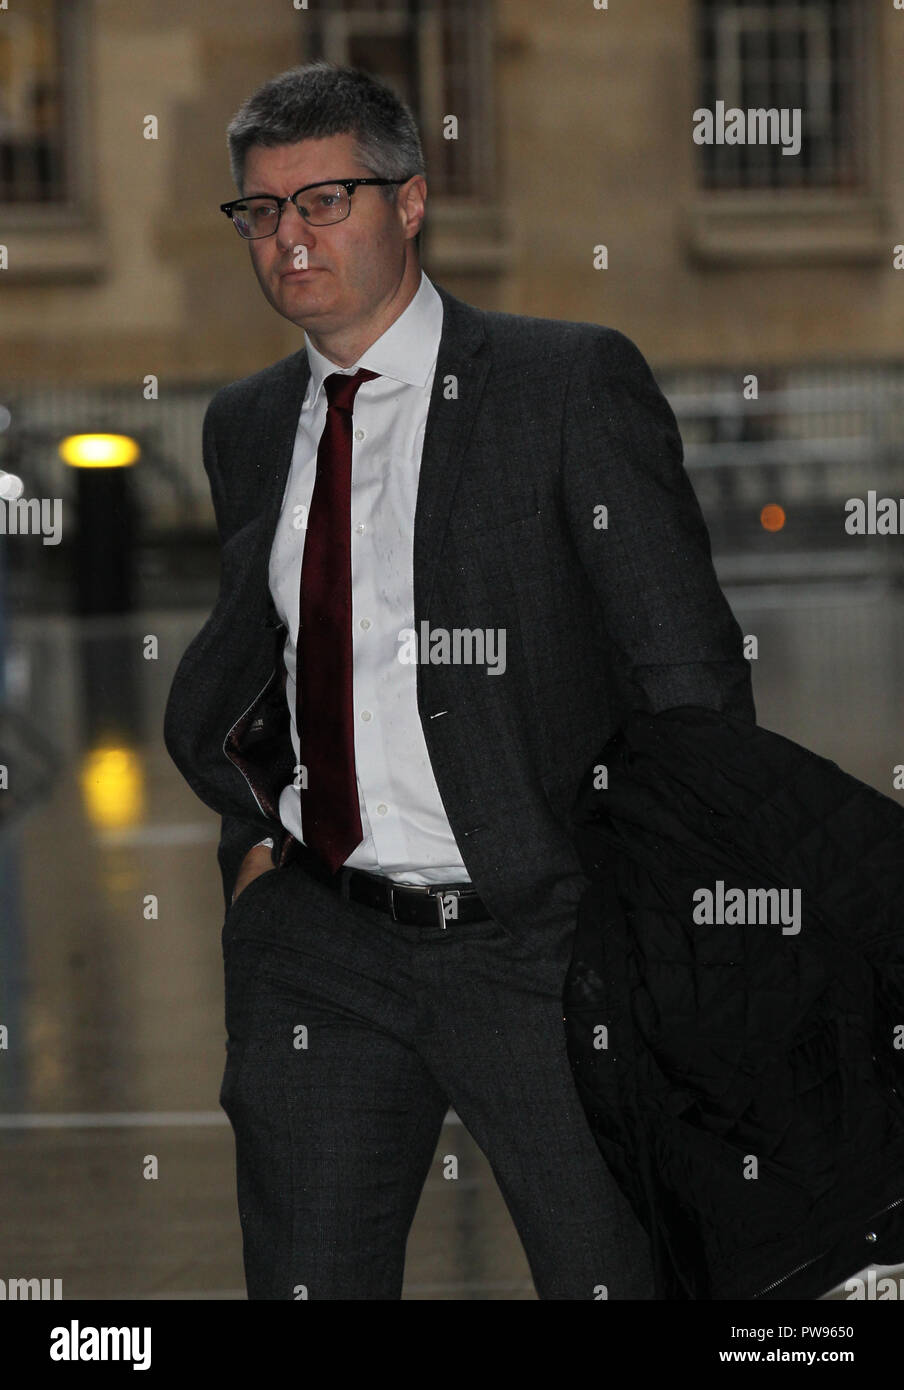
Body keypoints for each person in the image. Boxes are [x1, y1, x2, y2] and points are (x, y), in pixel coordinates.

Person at [163, 59, 755, 1300]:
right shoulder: (249, 423)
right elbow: (256, 659)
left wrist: (654, 938)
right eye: (262, 212)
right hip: (321, 947)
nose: (290, 238)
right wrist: (252, 858)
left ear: (411, 201)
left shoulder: (564, 385)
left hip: (541, 950)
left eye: (325, 200)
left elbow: (687, 680)